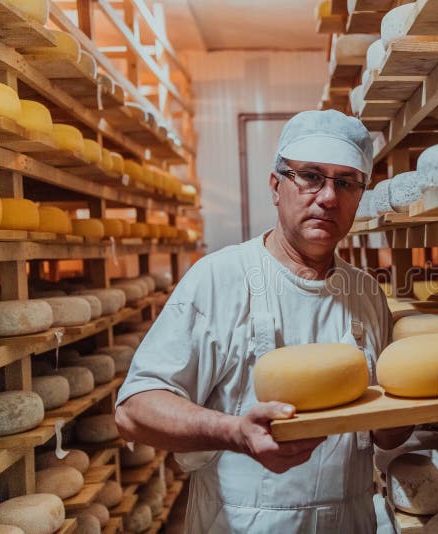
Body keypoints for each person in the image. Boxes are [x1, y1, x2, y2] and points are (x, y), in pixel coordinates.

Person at [115, 110, 411, 533]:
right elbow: (134, 410)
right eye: (310, 176)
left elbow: (388, 437)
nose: (328, 197)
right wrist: (234, 432)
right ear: (276, 186)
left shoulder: (366, 293)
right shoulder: (218, 279)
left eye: (345, 182)